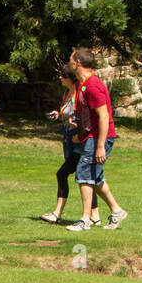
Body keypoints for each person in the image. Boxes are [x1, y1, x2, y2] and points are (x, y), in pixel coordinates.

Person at [66, 48, 129, 231]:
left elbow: (104, 116)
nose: (69, 62)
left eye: (71, 59)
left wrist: (100, 146)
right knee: (96, 176)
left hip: (100, 138)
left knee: (84, 173)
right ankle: (117, 211)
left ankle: (85, 220)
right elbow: (88, 115)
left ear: (77, 62)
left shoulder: (93, 85)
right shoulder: (82, 84)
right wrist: (79, 131)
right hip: (91, 137)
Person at [41, 66, 101, 226]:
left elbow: (84, 115)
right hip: (70, 137)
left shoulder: (79, 92)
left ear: (71, 78)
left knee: (73, 175)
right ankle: (95, 215)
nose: (60, 78)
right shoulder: (68, 93)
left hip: (79, 139)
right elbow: (68, 111)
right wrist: (59, 114)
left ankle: (59, 214)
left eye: (63, 75)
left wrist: (76, 125)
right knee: (86, 177)